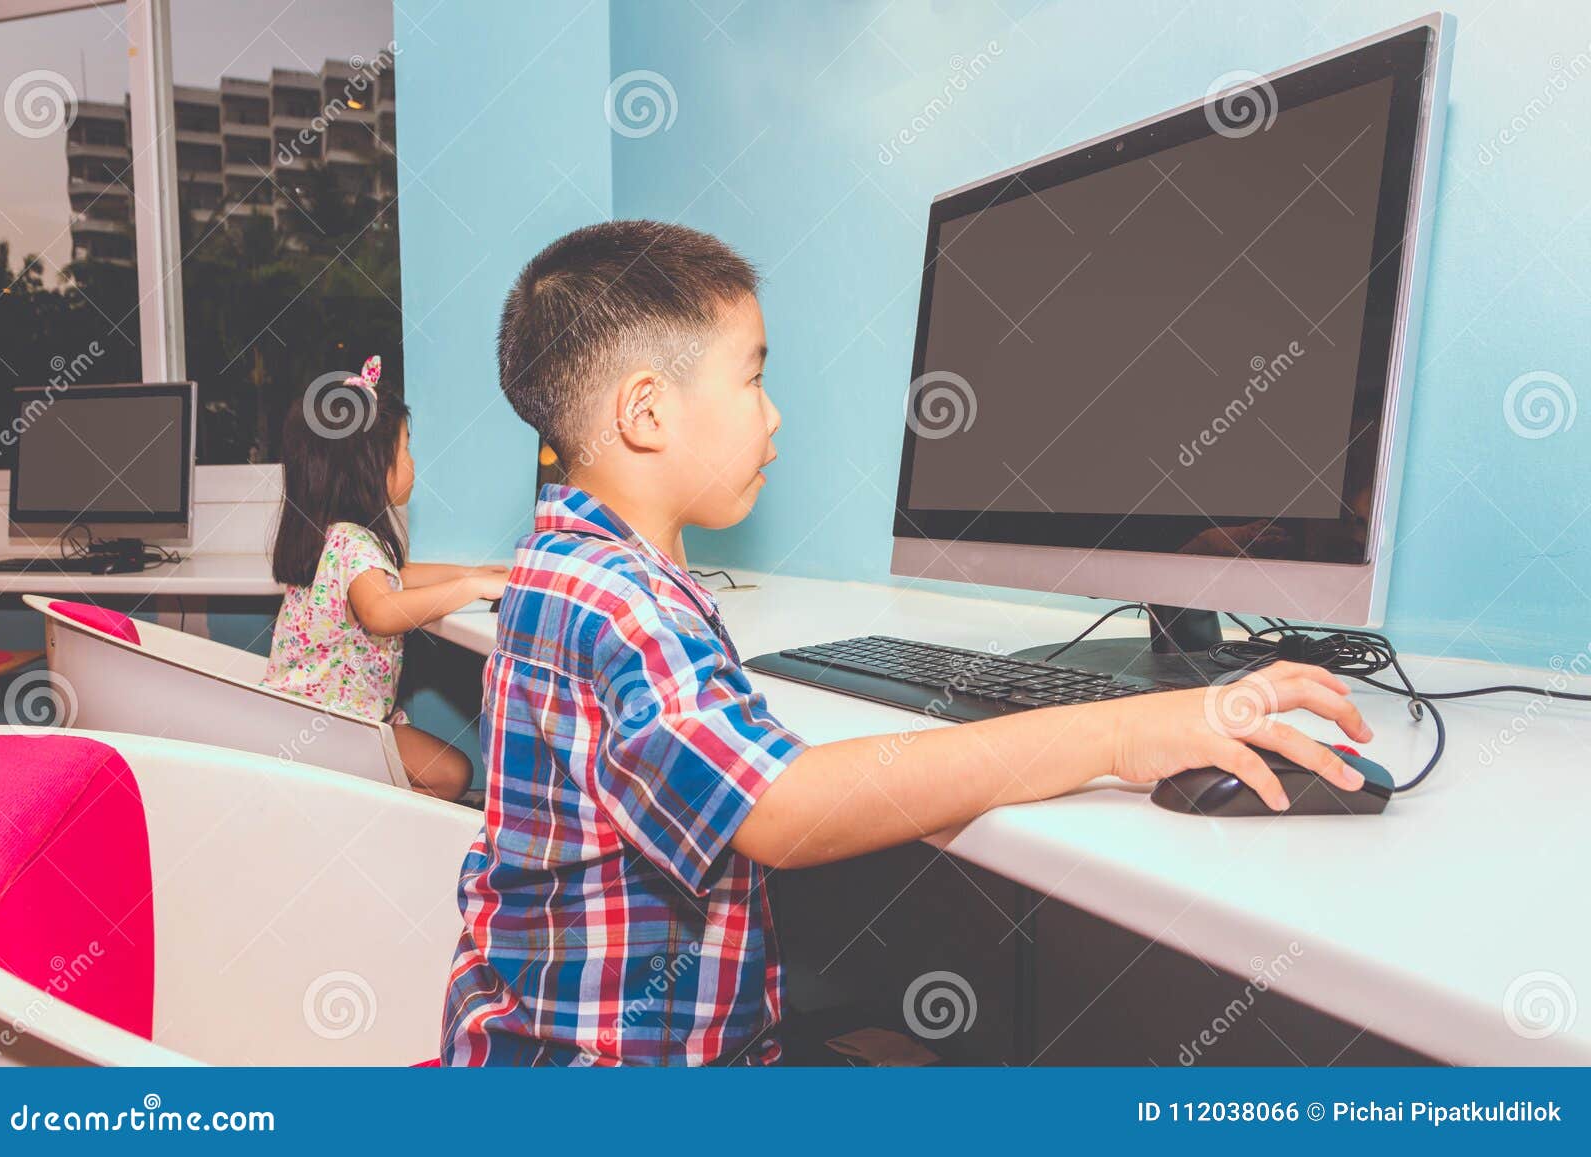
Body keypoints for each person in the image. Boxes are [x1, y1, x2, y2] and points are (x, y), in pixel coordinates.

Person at [442, 222, 1372, 1065]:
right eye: (754, 376)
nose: (773, 416)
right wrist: (1119, 733)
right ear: (647, 413)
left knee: (905, 1039)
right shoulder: (622, 602)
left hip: (527, 1030)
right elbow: (780, 809)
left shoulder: (562, 563)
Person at [263, 354, 508, 801]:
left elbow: (396, 577)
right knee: (452, 774)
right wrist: (471, 588)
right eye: (406, 447)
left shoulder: (332, 537)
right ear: (372, 466)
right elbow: (380, 611)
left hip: (309, 717)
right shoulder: (352, 542)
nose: (412, 461)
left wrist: (474, 571)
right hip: (335, 725)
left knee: (442, 771)